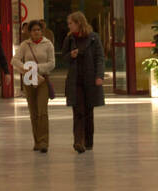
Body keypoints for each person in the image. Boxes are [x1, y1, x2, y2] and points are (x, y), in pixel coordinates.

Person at [63, 12, 105, 153]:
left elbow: (99, 57)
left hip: (90, 79)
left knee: (88, 111)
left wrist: (99, 76)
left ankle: (88, 141)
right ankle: (78, 141)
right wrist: (70, 55)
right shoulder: (69, 39)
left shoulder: (93, 38)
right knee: (78, 110)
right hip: (75, 80)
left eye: (71, 23)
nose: (69, 26)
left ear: (78, 23)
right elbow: (63, 58)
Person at [15, 19, 55, 152]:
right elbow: (14, 60)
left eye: (38, 30)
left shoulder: (48, 44)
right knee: (33, 112)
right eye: (33, 30)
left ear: (42, 31)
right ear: (29, 32)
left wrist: (36, 68)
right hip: (29, 81)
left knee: (42, 111)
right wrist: (25, 68)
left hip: (42, 80)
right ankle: (37, 141)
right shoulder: (25, 45)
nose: (36, 32)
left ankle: (44, 142)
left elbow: (52, 63)